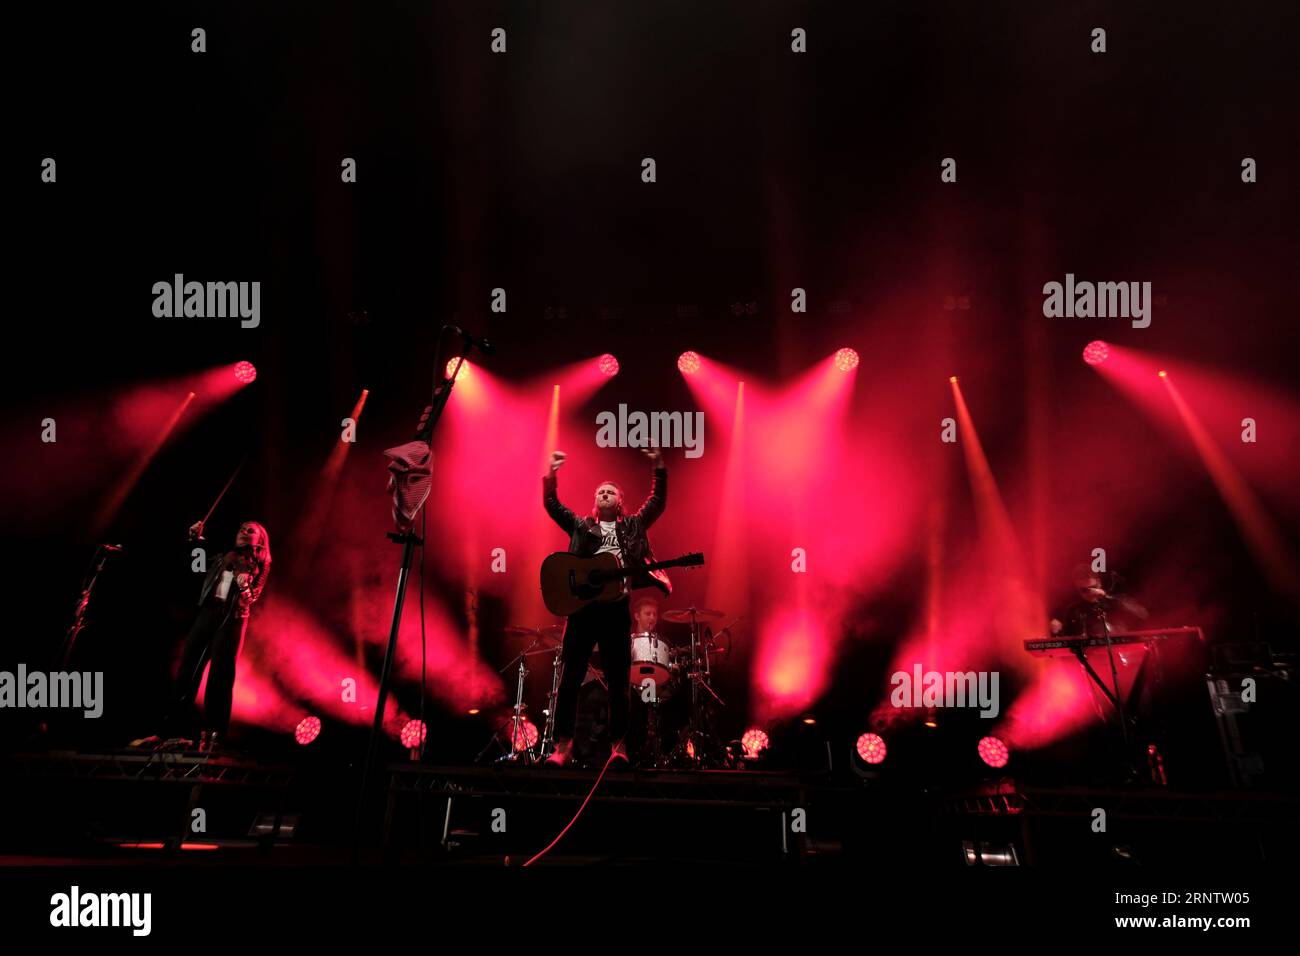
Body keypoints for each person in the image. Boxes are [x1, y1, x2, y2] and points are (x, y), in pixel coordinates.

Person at [542, 447, 669, 767]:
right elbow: (553, 506)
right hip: (583, 609)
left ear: (619, 501)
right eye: (600, 491)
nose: (604, 492)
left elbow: (658, 503)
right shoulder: (582, 526)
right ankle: (562, 747)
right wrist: (552, 475)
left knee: (617, 682)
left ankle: (619, 747)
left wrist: (658, 465)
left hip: (616, 609)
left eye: (610, 491)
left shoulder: (633, 526)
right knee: (570, 678)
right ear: (595, 501)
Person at [132, 520, 271, 752]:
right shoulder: (223, 555)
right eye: (241, 528)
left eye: (250, 531)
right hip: (209, 612)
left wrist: (244, 585)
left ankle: (212, 738)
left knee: (220, 676)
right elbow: (196, 567)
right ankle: (168, 732)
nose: (243, 532)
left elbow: (252, 596)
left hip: (234, 618)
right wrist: (194, 541)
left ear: (260, 541)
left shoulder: (260, 564)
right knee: (188, 669)